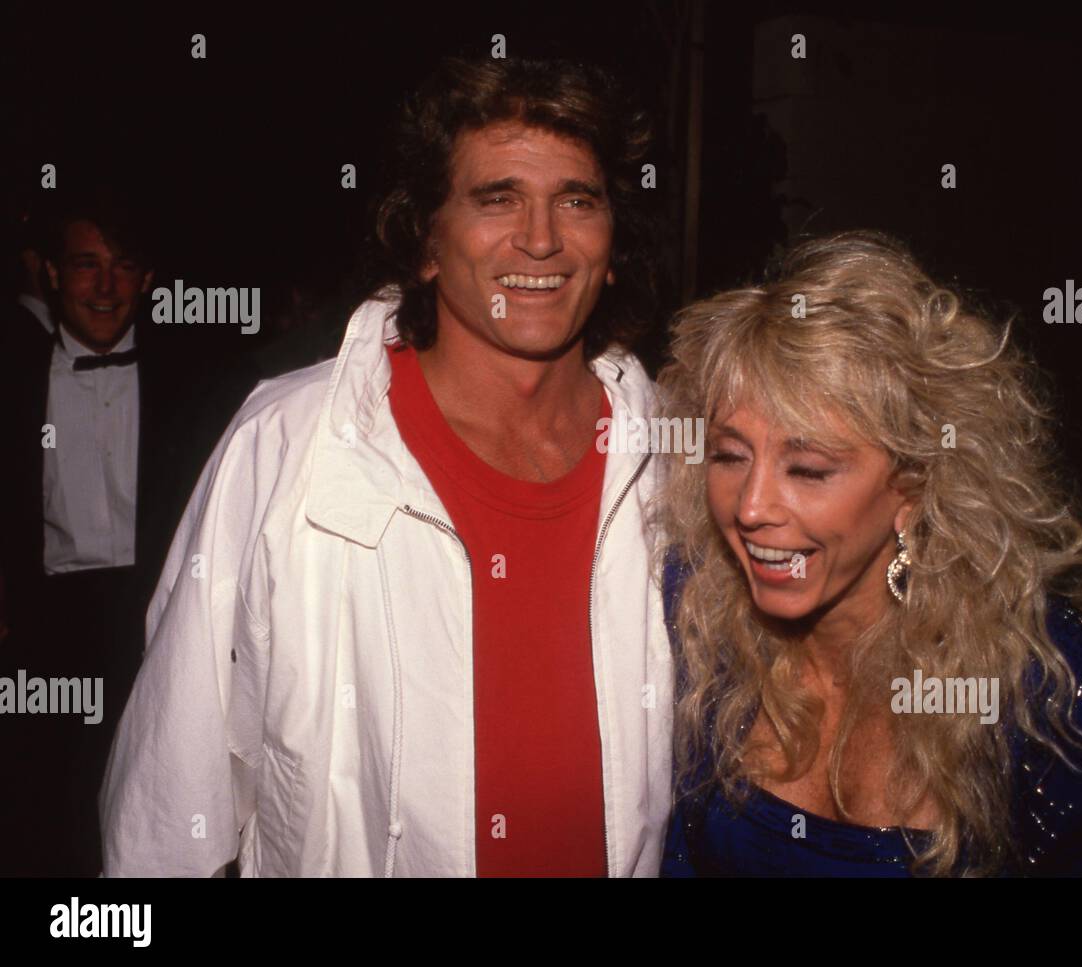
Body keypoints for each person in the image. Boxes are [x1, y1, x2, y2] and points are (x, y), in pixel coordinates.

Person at [99, 56, 672, 877]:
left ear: (612, 244)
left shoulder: (673, 460)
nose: (541, 238)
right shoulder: (288, 445)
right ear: (426, 244)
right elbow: (167, 797)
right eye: (497, 198)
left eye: (577, 200)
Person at [655, 231, 1082, 876]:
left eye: (809, 468)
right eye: (730, 457)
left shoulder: (1065, 725)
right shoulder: (696, 626)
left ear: (913, 487)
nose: (750, 507)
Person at [0, 190, 255, 875]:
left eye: (122, 266)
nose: (105, 285)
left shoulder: (201, 381)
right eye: (85, 265)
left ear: (148, 280)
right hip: (45, 625)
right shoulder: (15, 378)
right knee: (44, 803)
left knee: (161, 802)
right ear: (51, 274)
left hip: (159, 616)